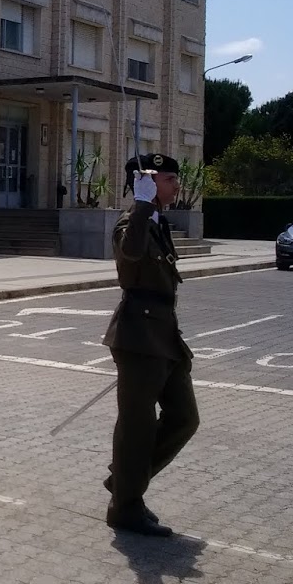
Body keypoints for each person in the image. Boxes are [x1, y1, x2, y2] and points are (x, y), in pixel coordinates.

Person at [102, 153, 200, 538]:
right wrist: (142, 205)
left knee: (185, 418)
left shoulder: (158, 222)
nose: (176, 185)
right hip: (139, 340)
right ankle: (125, 507)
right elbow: (129, 256)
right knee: (136, 428)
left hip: (163, 337)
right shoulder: (133, 222)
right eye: (169, 179)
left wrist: (150, 210)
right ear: (147, 184)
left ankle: (125, 480)